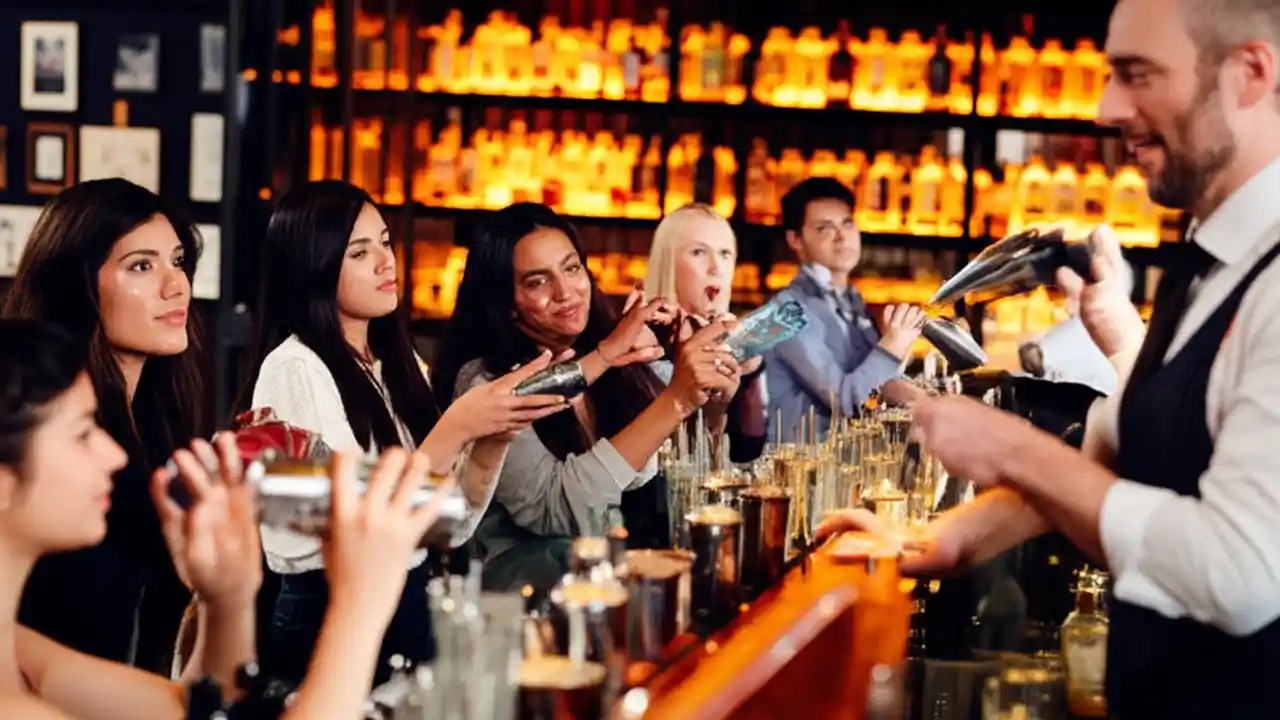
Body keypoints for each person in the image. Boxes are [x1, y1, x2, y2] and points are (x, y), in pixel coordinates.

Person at [821, 0, 1280, 715]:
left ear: (1250, 73)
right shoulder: (1212, 256)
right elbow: (1117, 458)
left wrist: (1011, 450)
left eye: (1137, 75)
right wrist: (940, 540)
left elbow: (1240, 573)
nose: (1105, 108)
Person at [0, 319, 458, 720]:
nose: (114, 454)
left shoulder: (19, 652)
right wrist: (361, 600)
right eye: (82, 435)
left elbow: (190, 711)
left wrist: (227, 599)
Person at [236, 180, 568, 682]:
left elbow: (447, 526)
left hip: (406, 598)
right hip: (327, 612)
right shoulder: (293, 367)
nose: (386, 263)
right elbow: (349, 521)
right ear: (315, 266)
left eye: (386, 243)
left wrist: (491, 440)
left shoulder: (396, 363)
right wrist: (455, 429)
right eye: (359, 252)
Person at [432, 203, 741, 594]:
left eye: (572, 268)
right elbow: (559, 511)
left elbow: (653, 473)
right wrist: (675, 399)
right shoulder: (486, 381)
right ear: (505, 302)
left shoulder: (606, 348)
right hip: (529, 600)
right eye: (537, 282)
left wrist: (710, 407)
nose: (566, 292)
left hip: (610, 576)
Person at [3, 179, 206, 672]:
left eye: (177, 261)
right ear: (79, 284)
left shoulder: (157, 426)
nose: (175, 284)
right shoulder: (45, 433)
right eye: (141, 265)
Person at [762, 177, 927, 442]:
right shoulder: (786, 312)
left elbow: (876, 387)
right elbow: (849, 401)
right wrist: (894, 342)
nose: (842, 237)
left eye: (847, 223)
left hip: (854, 466)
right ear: (795, 239)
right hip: (803, 472)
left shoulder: (852, 301)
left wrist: (927, 401)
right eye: (824, 228)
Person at [643, 203, 767, 462]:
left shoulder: (733, 337)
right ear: (667, 261)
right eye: (699, 252)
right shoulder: (641, 339)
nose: (716, 267)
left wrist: (754, 373)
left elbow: (749, 452)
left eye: (725, 254)